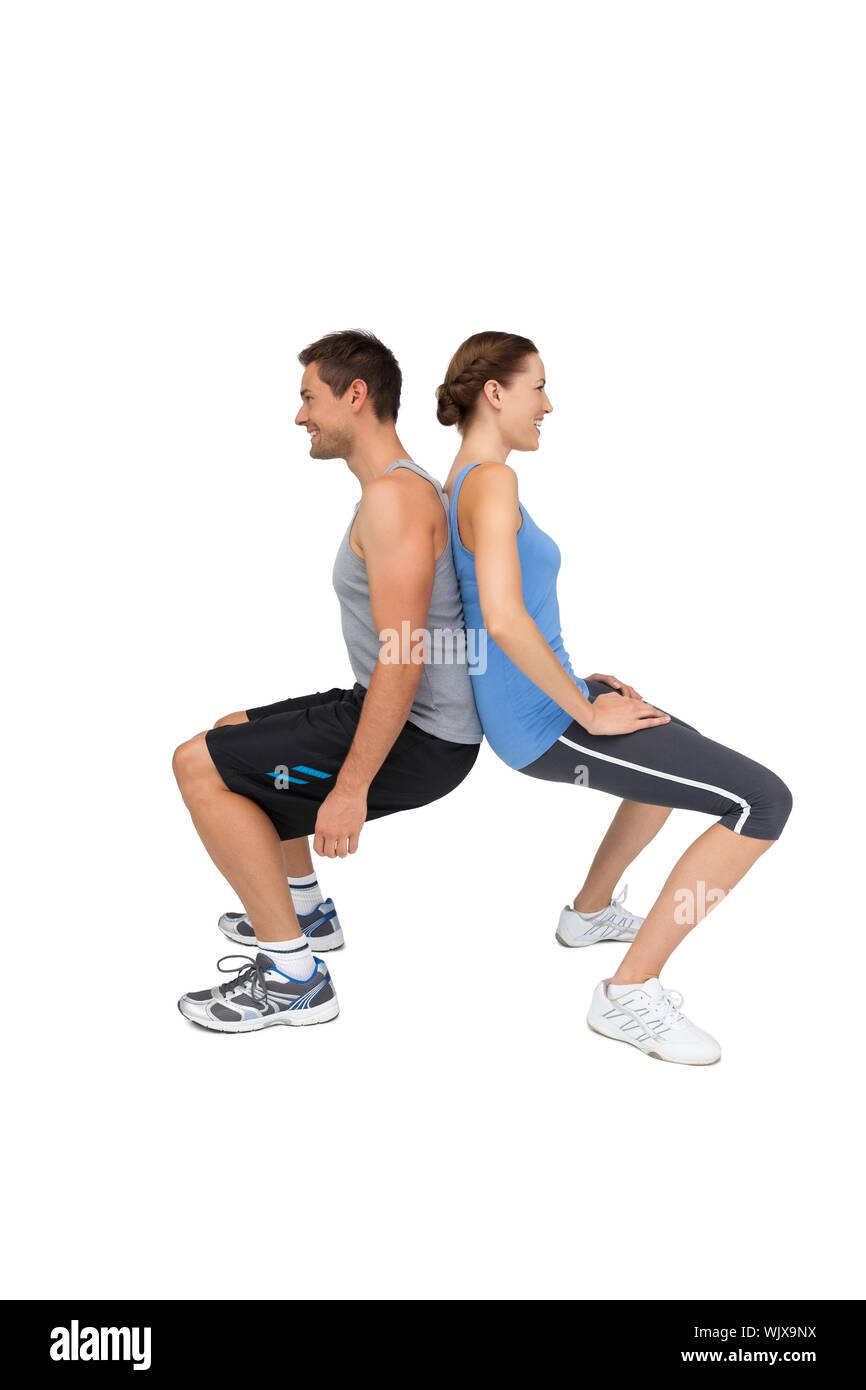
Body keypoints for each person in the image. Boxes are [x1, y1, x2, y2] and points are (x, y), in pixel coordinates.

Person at [439, 331, 792, 1065]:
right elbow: (500, 617)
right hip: (541, 727)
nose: (549, 404)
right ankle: (628, 993)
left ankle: (590, 913)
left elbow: (503, 608)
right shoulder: (490, 481)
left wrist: (584, 682)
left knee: (668, 746)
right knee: (761, 801)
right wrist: (584, 708)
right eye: (537, 386)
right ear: (495, 392)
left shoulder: (468, 478)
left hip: (547, 701)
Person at [172, 330, 482, 1032]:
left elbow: (403, 657)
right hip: (397, 710)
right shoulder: (393, 491)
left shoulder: (395, 502)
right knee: (231, 735)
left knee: (197, 766)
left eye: (309, 397)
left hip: (422, 736)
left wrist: (350, 788)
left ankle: (295, 978)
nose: (300, 415)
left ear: (356, 395)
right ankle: (307, 911)